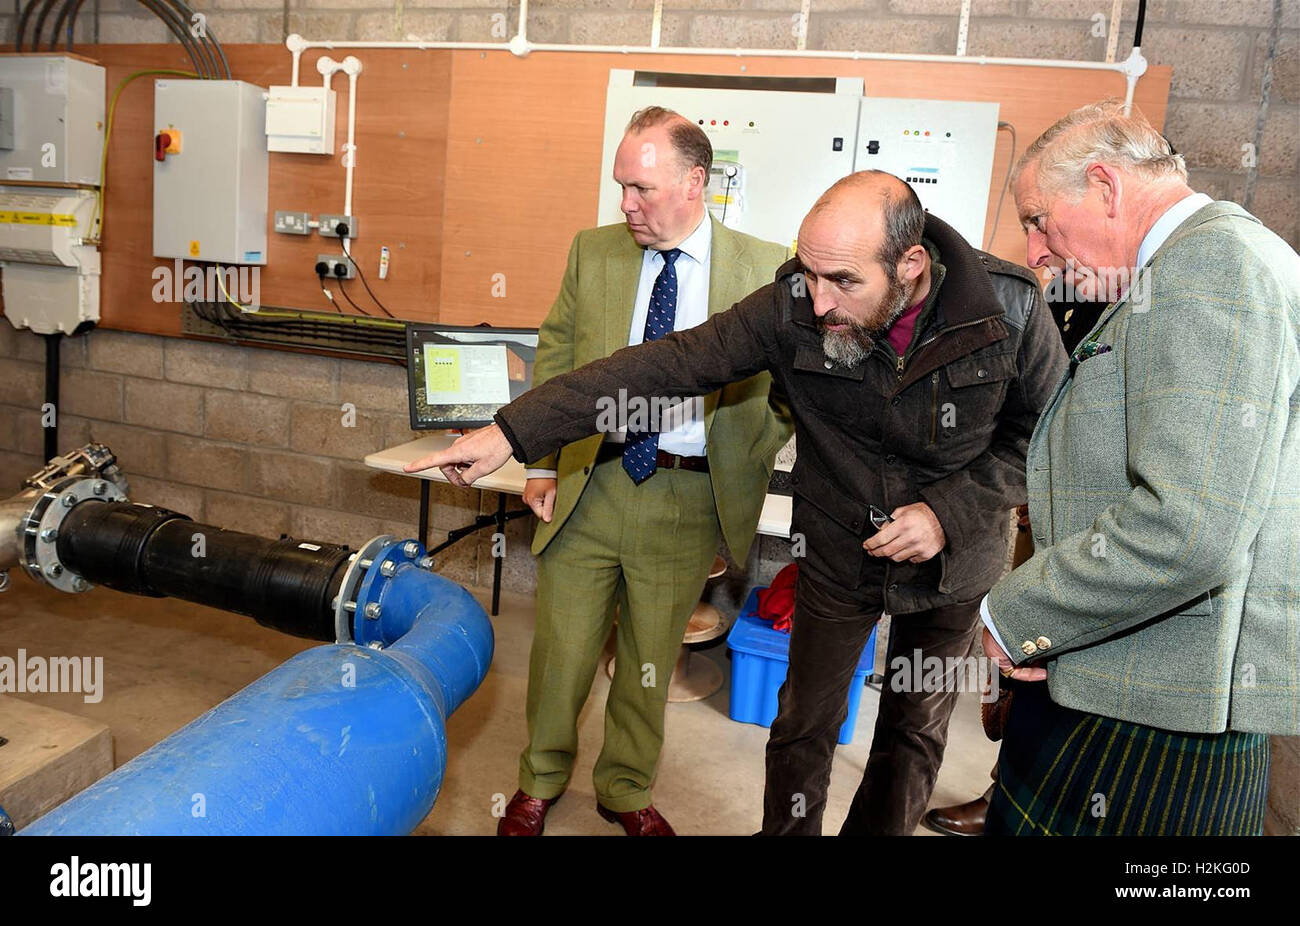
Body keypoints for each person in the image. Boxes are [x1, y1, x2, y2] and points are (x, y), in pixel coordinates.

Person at [407, 169, 1068, 835]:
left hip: (954, 565)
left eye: (843, 281)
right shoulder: (790, 304)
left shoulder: (1007, 310)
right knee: (803, 724)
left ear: (911, 264)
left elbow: (1046, 437)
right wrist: (510, 432)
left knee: (912, 730)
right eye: (809, 274)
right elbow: (664, 366)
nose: (817, 302)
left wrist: (946, 512)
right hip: (839, 552)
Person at [981, 100, 1300, 835]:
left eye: (1036, 219)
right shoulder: (1209, 261)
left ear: (1104, 185)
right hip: (1141, 676)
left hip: (1152, 704)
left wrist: (1014, 612)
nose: (1033, 251)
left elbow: (1186, 527)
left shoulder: (1212, 266)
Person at [491, 106, 792, 836]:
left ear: (696, 181)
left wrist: (753, 449)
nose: (626, 204)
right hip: (591, 481)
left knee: (651, 658)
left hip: (689, 497)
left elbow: (790, 385)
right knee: (561, 649)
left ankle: (624, 789)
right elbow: (556, 354)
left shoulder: (763, 265)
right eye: (621, 185)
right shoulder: (595, 253)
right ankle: (539, 779)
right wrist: (538, 462)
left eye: (643, 188)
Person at [924, 282, 1110, 837]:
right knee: (1023, 667)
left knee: (1080, 676)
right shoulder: (1056, 294)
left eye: (1041, 224)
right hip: (1044, 504)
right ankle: (1005, 792)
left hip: (1111, 522)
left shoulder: (1148, 293)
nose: (1035, 252)